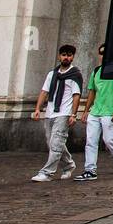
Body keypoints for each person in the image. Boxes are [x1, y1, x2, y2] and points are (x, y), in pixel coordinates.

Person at [72, 45, 113, 181]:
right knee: (91, 141)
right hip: (96, 111)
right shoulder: (96, 71)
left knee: (109, 139)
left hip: (110, 111)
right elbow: (92, 92)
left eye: (106, 53)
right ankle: (90, 170)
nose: (103, 56)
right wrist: (86, 110)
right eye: (101, 53)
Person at [30, 45, 83, 182]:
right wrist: (38, 109)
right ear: (59, 56)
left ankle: (47, 173)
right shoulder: (52, 74)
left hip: (64, 113)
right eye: (64, 54)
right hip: (50, 112)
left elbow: (76, 95)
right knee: (52, 142)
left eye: (70, 55)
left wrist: (73, 114)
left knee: (56, 142)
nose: (66, 57)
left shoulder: (75, 74)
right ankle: (69, 164)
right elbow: (44, 92)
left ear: (73, 57)